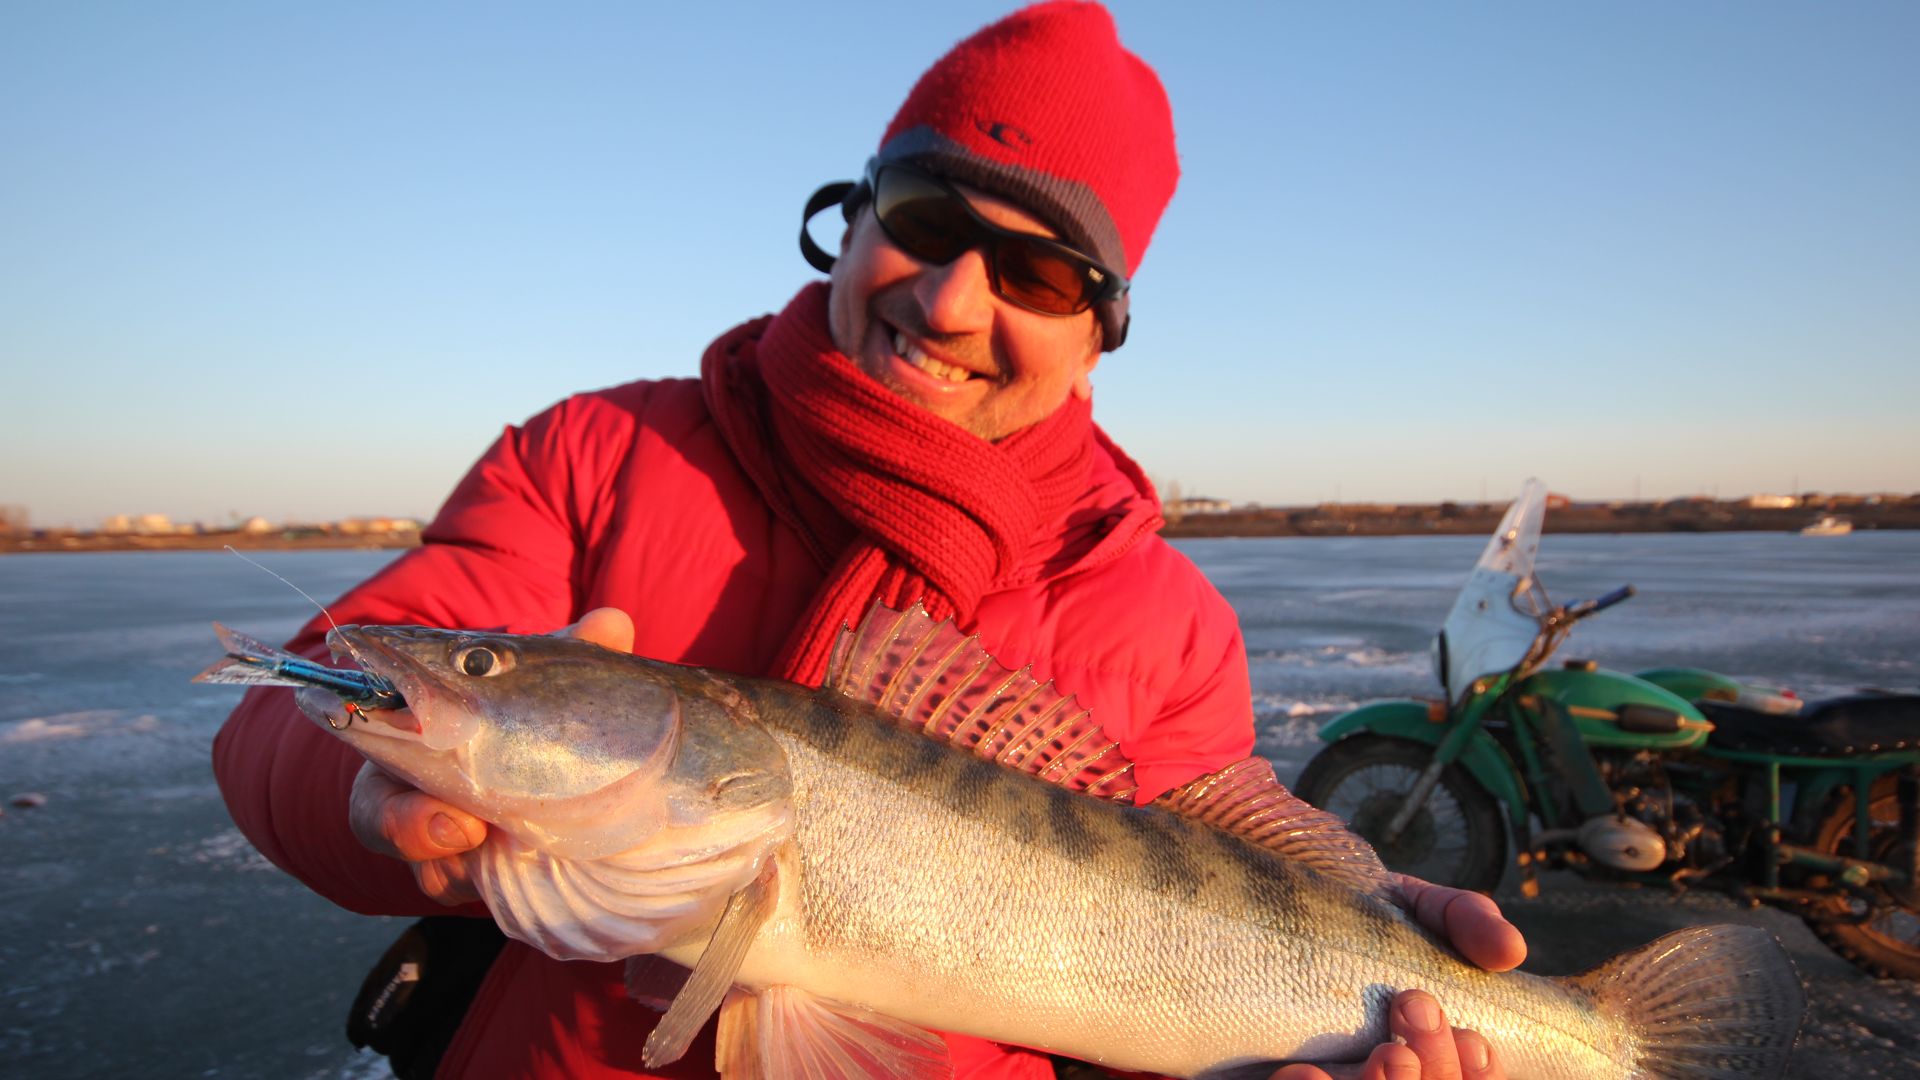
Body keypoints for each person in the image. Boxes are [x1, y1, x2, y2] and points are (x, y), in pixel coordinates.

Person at [213, 4, 1526, 1078]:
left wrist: (1361, 994)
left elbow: (1183, 958)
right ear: (852, 216)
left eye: (1041, 274)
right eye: (926, 217)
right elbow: (295, 703)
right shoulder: (593, 459)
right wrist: (370, 798)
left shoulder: (1166, 622)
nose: (955, 302)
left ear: (1101, 326)